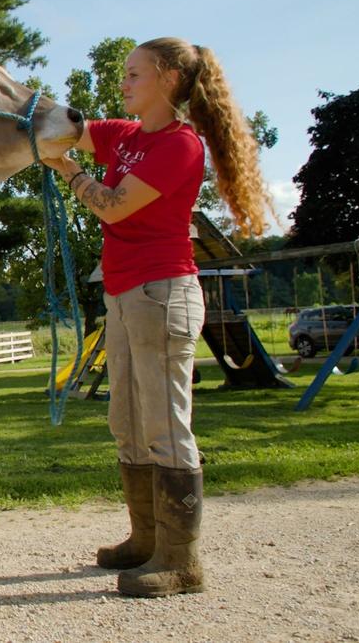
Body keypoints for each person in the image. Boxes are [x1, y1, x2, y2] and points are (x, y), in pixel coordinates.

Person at [42, 37, 270, 597]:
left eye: (134, 74)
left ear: (168, 79)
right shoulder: (124, 136)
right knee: (128, 422)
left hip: (164, 291)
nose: (123, 84)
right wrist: (28, 118)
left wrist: (69, 170)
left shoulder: (180, 145)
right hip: (123, 293)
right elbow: (65, 128)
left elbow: (113, 205)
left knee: (166, 425)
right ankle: (146, 540)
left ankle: (181, 560)